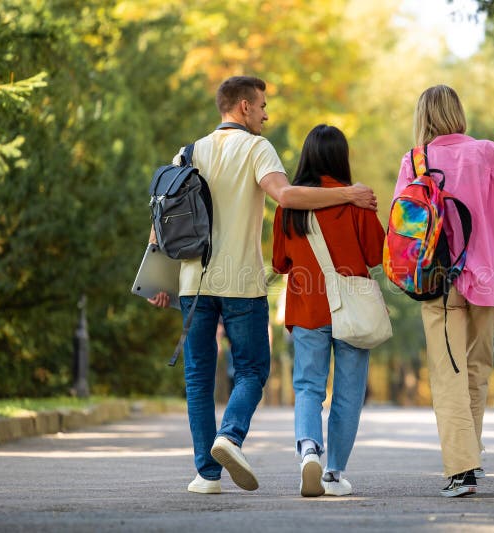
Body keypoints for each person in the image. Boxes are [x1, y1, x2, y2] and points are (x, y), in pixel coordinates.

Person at [148, 76, 377, 495]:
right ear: (243, 107)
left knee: (198, 377)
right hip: (240, 283)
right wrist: (348, 194)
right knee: (252, 370)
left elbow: (163, 221)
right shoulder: (256, 148)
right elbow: (287, 197)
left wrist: (155, 279)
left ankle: (206, 476)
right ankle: (230, 437)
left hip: (190, 283)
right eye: (262, 105)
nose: (266, 114)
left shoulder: (187, 153)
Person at [392, 85, 494, 497]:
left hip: (436, 279)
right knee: (477, 368)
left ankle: (461, 470)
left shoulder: (415, 160)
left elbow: (401, 225)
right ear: (457, 113)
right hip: (490, 277)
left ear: (423, 117)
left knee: (448, 374)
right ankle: (470, 462)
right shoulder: (488, 151)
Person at [272, 124, 385, 497]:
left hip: (308, 307)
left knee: (308, 386)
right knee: (349, 393)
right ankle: (333, 474)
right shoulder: (358, 201)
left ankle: (308, 449)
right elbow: (375, 256)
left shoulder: (289, 206)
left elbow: (279, 261)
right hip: (351, 308)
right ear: (342, 157)